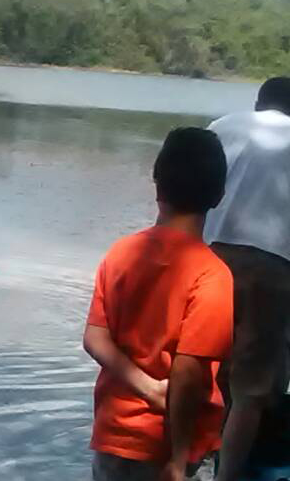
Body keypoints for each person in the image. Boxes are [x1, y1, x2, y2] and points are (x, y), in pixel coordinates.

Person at [83, 127, 233, 481]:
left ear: (156, 183)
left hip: (113, 434)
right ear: (219, 195)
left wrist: (144, 386)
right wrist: (180, 460)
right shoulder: (212, 275)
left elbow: (94, 338)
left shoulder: (122, 252)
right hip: (166, 443)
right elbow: (188, 371)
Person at [205, 77, 290, 481]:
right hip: (272, 267)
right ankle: (227, 476)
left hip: (208, 257)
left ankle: (180, 465)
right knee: (251, 389)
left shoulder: (223, 125)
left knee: (199, 368)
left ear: (258, 105)